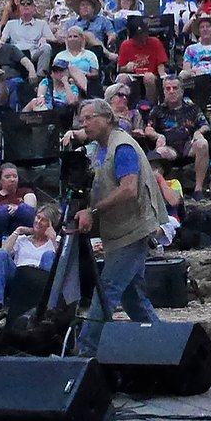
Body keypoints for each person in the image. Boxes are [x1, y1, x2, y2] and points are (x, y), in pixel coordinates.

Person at [65, 100, 166, 353]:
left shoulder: (122, 147)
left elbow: (129, 190)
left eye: (89, 118)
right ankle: (165, 346)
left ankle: (84, 351)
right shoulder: (100, 148)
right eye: (82, 119)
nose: (84, 123)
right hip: (119, 230)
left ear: (107, 118)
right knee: (133, 299)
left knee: (106, 290)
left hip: (133, 230)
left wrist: (93, 211)